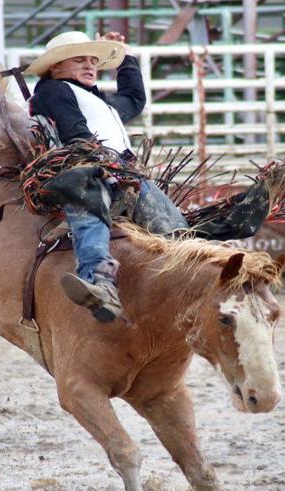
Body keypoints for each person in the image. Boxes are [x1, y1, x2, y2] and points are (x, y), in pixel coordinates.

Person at [26, 30, 187, 323]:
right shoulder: (53, 90)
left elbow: (134, 99)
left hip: (121, 173)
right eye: (80, 60)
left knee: (176, 228)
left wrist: (127, 57)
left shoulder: (101, 103)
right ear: (56, 67)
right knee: (89, 205)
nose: (90, 66)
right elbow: (75, 131)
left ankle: (189, 282)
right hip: (85, 170)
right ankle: (100, 282)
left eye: (93, 60)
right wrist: (100, 161)